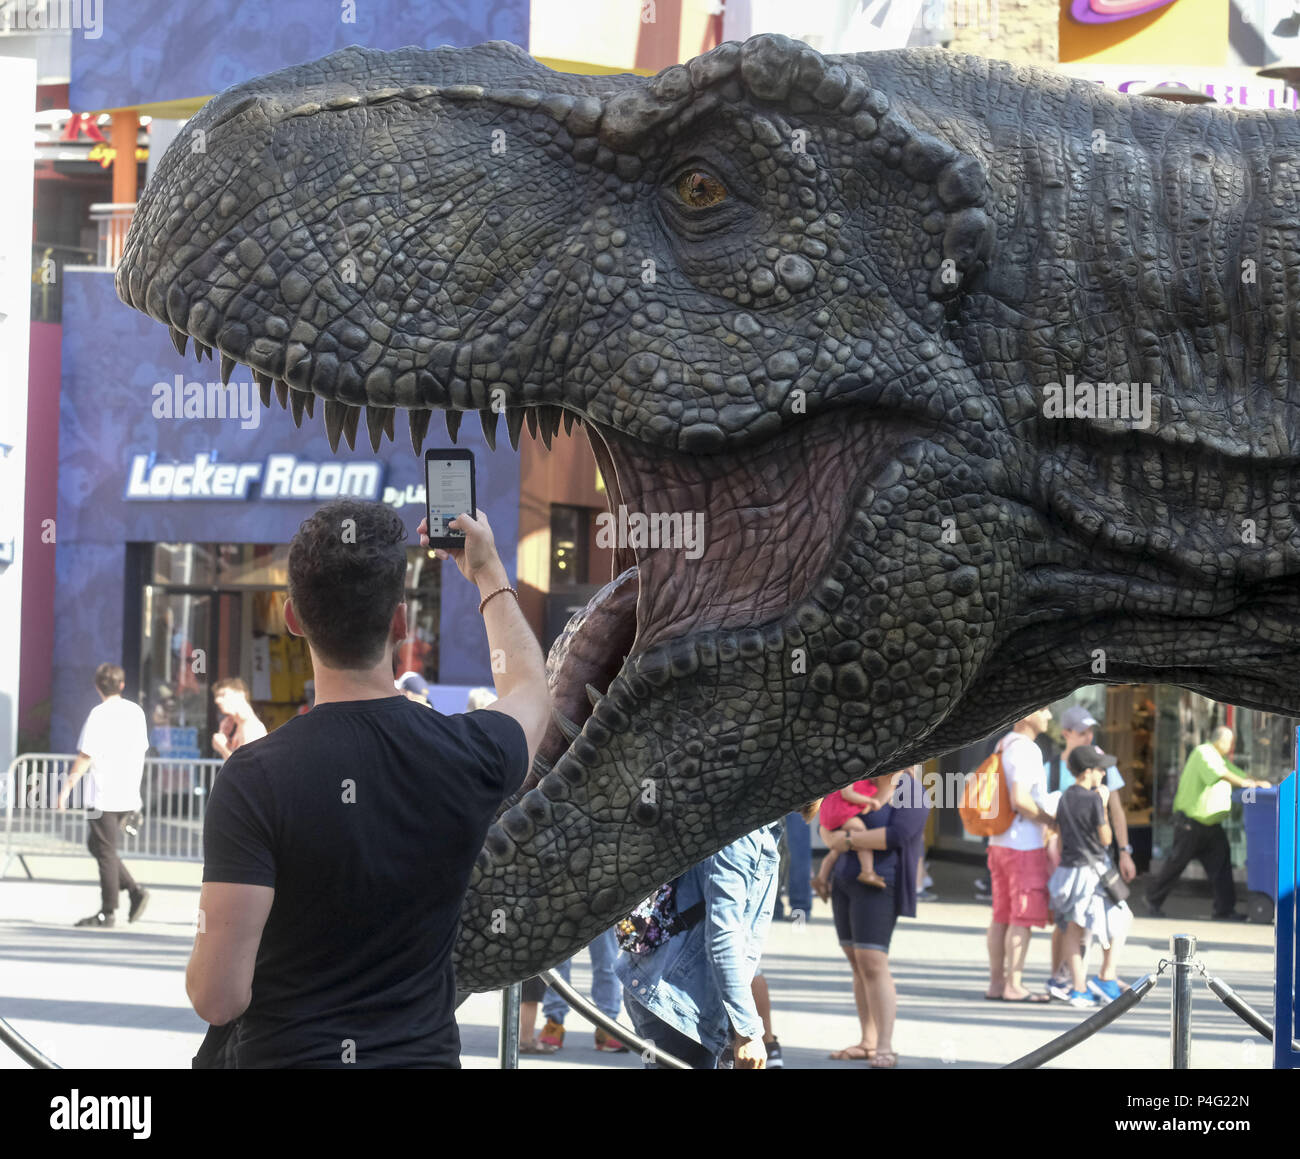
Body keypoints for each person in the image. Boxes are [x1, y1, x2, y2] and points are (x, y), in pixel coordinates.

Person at [186, 500, 548, 1067]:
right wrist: (487, 572)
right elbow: (530, 689)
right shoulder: (466, 754)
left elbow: (217, 996)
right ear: (400, 624)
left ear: (293, 619)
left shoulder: (253, 780)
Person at [617, 817, 787, 1069]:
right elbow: (723, 939)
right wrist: (748, 1033)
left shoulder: (754, 826)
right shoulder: (743, 835)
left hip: (673, 989)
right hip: (677, 999)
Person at [822, 766, 930, 1068]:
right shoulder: (860, 780)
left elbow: (897, 835)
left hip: (881, 882)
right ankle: (867, 1041)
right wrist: (832, 836)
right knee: (857, 961)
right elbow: (827, 817)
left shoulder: (910, 789)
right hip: (845, 879)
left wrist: (843, 842)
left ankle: (884, 1045)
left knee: (872, 961)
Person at [1044, 705, 1135, 1000]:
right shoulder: (1082, 789)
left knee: (1073, 925)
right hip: (1090, 868)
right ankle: (1091, 979)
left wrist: (1126, 851)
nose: (1088, 736)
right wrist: (1103, 807)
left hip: (1067, 867)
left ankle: (1077, 984)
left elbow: (1054, 827)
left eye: (1091, 731)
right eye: (1082, 732)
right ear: (1066, 733)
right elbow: (1105, 833)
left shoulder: (1066, 794)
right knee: (1113, 920)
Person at [56, 663, 151, 929]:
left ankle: (109, 910)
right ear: (121, 685)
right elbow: (141, 749)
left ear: (98, 686)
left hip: (103, 794)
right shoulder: (135, 712)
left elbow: (86, 756)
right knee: (97, 846)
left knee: (105, 852)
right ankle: (133, 890)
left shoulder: (99, 714)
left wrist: (65, 790)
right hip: (128, 792)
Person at [1145, 727, 1268, 921]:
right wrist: (1248, 784)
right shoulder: (1203, 752)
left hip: (1209, 824)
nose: (1231, 745)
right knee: (1175, 864)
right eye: (1229, 741)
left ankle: (1224, 910)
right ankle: (1151, 898)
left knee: (1221, 865)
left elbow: (1237, 774)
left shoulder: (1220, 758)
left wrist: (1258, 782)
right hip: (1191, 823)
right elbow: (1220, 774)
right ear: (1218, 740)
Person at [984, 708, 1057, 1004]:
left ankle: (996, 983)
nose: (1050, 716)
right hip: (1024, 845)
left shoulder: (1003, 743)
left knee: (1001, 915)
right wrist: (1050, 820)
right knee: (1021, 917)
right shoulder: (1027, 750)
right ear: (1027, 716)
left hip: (999, 842)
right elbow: (1022, 800)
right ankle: (1014, 984)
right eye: (1044, 709)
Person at [538, 929, 630, 1052]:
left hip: (603, 910)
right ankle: (554, 1023)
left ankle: (607, 1026)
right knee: (558, 963)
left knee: (607, 962)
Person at [811, 779, 887, 898]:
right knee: (863, 837)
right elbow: (847, 793)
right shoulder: (857, 773)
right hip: (839, 813)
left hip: (838, 814)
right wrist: (871, 801)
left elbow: (863, 808)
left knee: (836, 850)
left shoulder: (873, 785)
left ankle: (821, 879)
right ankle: (867, 872)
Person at [210, 678, 267, 759]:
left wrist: (222, 748)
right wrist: (225, 741)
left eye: (223, 695)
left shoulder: (252, 727)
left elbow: (245, 767)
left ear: (240, 694)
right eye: (217, 697)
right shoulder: (239, 725)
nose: (217, 700)